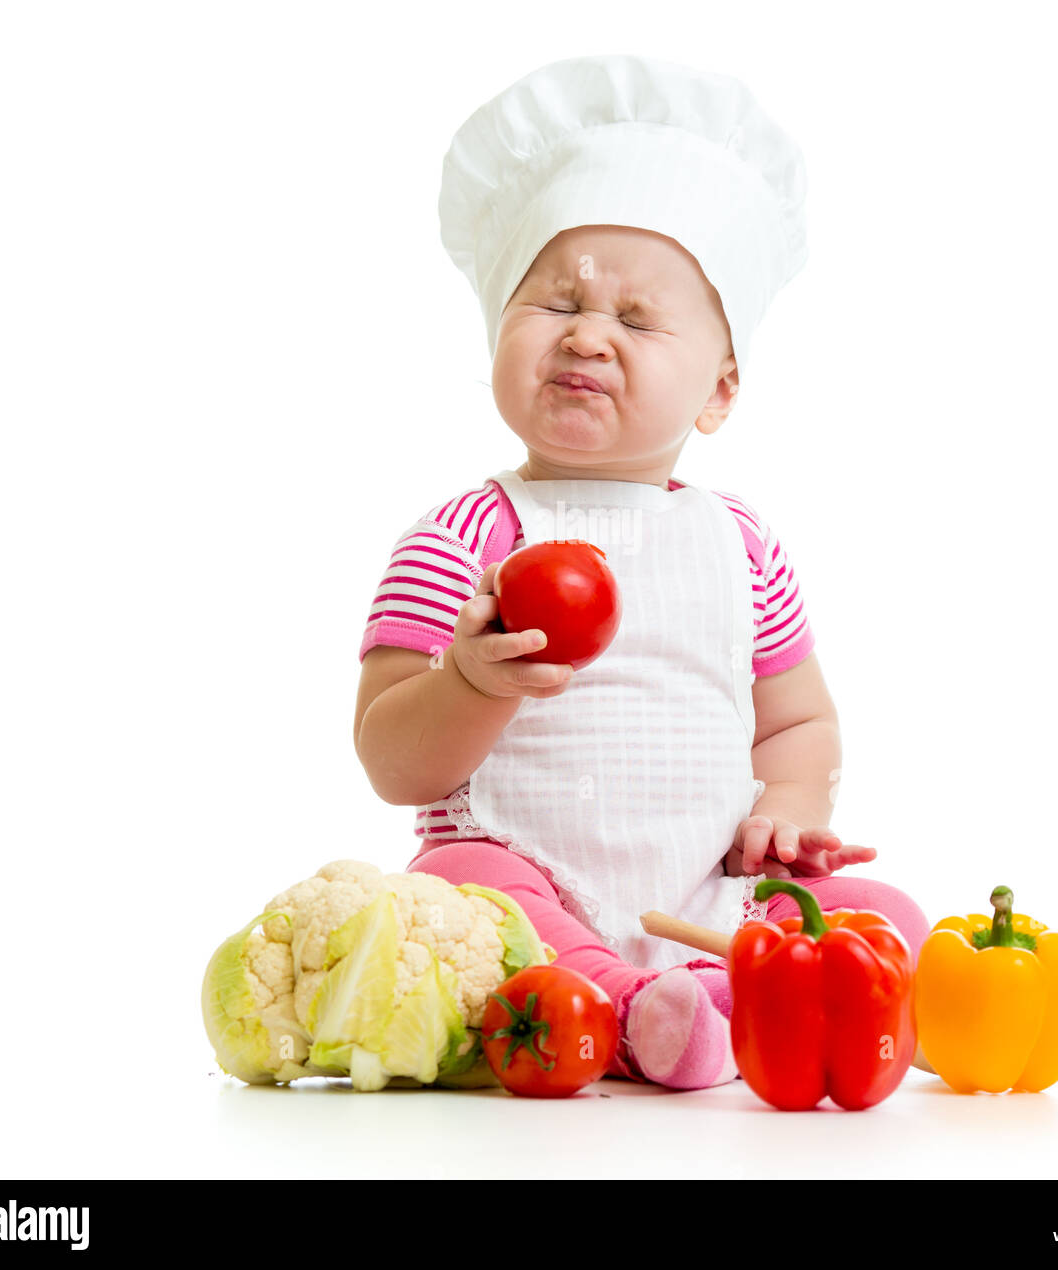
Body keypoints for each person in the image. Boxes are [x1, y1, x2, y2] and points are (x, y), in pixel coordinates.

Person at [354, 54, 929, 1089]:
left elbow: (798, 725)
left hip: (705, 889)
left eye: (633, 319)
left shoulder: (741, 545)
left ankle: (747, 992)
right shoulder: (457, 536)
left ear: (719, 390)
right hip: (521, 882)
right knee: (458, 883)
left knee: (885, 918)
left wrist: (787, 813)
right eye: (552, 304)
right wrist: (471, 682)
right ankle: (627, 1011)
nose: (585, 333)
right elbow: (394, 762)